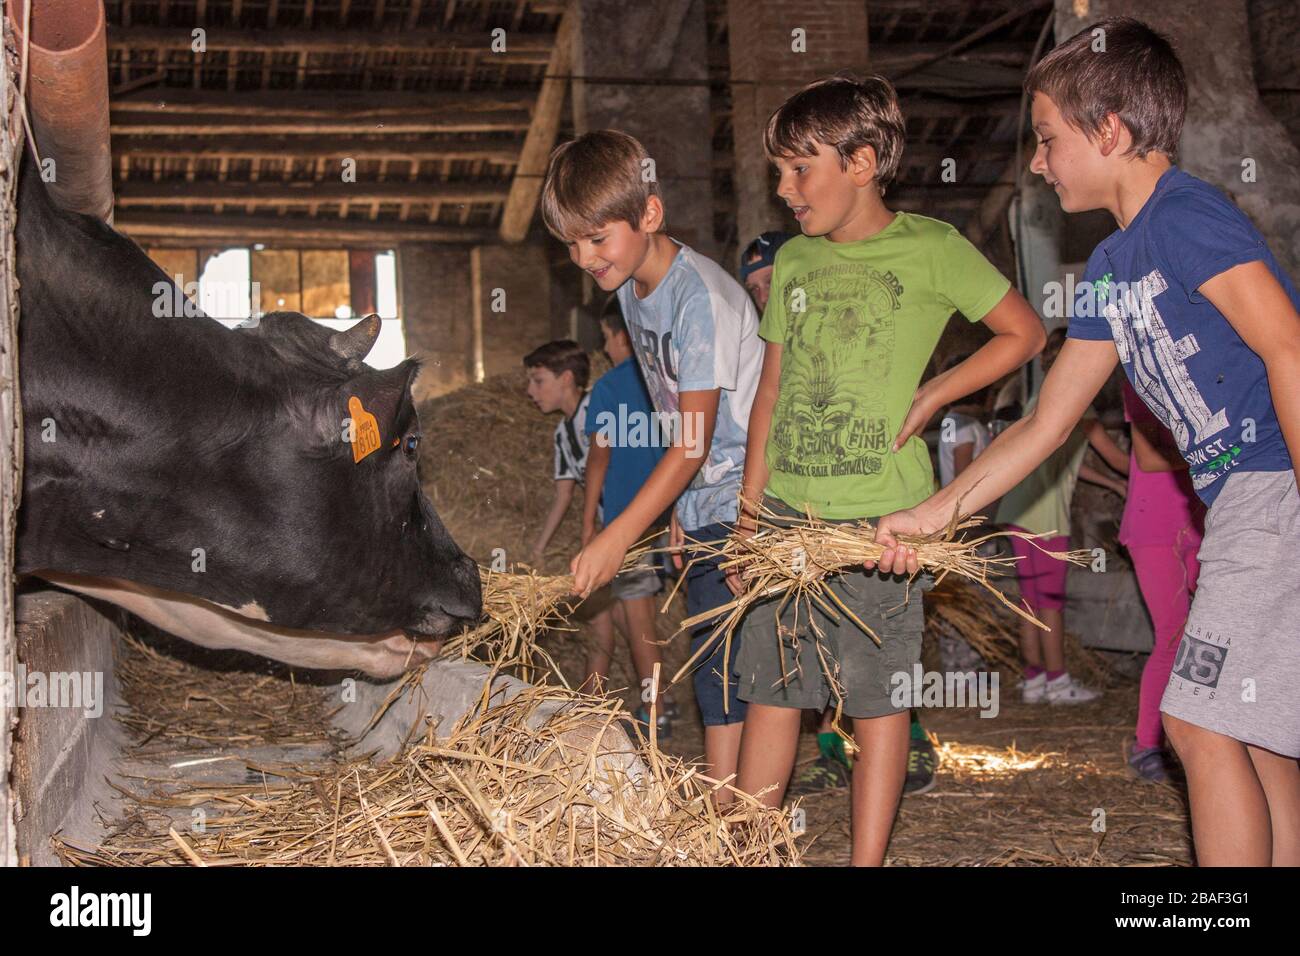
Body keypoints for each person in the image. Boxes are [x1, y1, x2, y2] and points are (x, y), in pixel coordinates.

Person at [871, 18, 1300, 867]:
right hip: (1238, 500)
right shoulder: (1110, 265)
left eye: (1048, 140)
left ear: (1110, 132)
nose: (1037, 162)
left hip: (1271, 483)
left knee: (1197, 718)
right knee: (1256, 737)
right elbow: (1047, 422)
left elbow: (1287, 343)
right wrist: (933, 513)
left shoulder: (1188, 218)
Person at [729, 73, 1046, 865]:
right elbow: (770, 392)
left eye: (801, 168)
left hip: (884, 529)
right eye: (780, 170)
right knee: (771, 692)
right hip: (786, 524)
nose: (784, 187)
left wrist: (939, 388)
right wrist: (747, 515)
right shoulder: (794, 263)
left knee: (879, 704)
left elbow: (1024, 334)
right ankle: (749, 852)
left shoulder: (933, 249)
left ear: (863, 162)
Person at [542, 130, 764, 796]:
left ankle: (743, 807)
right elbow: (676, 416)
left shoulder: (699, 300)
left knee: (747, 660)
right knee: (713, 660)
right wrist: (678, 507)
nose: (583, 258)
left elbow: (693, 440)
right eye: (571, 244)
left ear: (650, 215)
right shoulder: (635, 294)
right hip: (703, 500)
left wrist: (618, 533)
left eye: (597, 238)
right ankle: (723, 799)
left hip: (754, 498)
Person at [994, 328, 1129, 705]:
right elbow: (1117, 457)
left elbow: (1062, 464)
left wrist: (1111, 485)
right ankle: (1058, 682)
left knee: (1029, 600)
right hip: (1047, 518)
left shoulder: (1041, 397)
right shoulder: (1079, 404)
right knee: (1051, 601)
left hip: (1020, 509)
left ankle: (1034, 679)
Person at [582, 296, 675, 737]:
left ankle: (656, 709)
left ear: (624, 335)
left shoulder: (609, 387)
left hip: (629, 523)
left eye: (606, 339)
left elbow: (598, 459)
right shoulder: (669, 380)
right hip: (676, 513)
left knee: (639, 621)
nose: (605, 349)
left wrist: (589, 524)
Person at [1119, 380, 1206, 782]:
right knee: (1172, 634)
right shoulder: (1141, 377)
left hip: (1203, 519)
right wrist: (1225, 454)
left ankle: (1205, 735)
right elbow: (1150, 458)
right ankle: (1147, 743)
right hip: (1154, 523)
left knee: (1210, 634)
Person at [524, 341, 626, 680]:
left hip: (625, 525)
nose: (530, 391)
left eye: (538, 381)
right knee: (617, 612)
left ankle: (593, 699)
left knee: (606, 612)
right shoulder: (561, 435)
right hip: (603, 528)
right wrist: (538, 547)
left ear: (566, 378)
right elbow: (563, 495)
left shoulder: (599, 407)